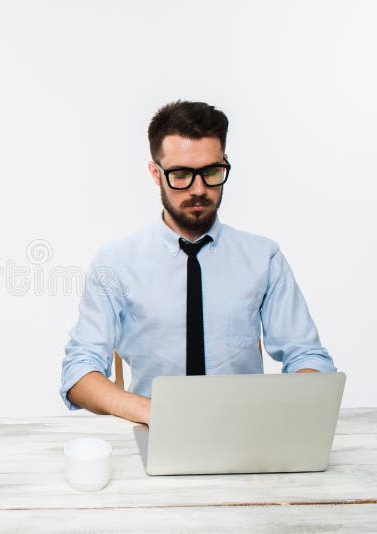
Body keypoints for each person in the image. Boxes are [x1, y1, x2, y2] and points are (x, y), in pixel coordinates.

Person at [60, 101, 335, 424]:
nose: (199, 189)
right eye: (180, 175)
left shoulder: (264, 257)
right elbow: (79, 372)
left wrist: (278, 411)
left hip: (246, 433)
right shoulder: (117, 263)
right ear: (155, 173)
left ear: (225, 164)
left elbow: (308, 355)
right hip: (154, 431)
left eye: (211, 173)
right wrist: (155, 414)